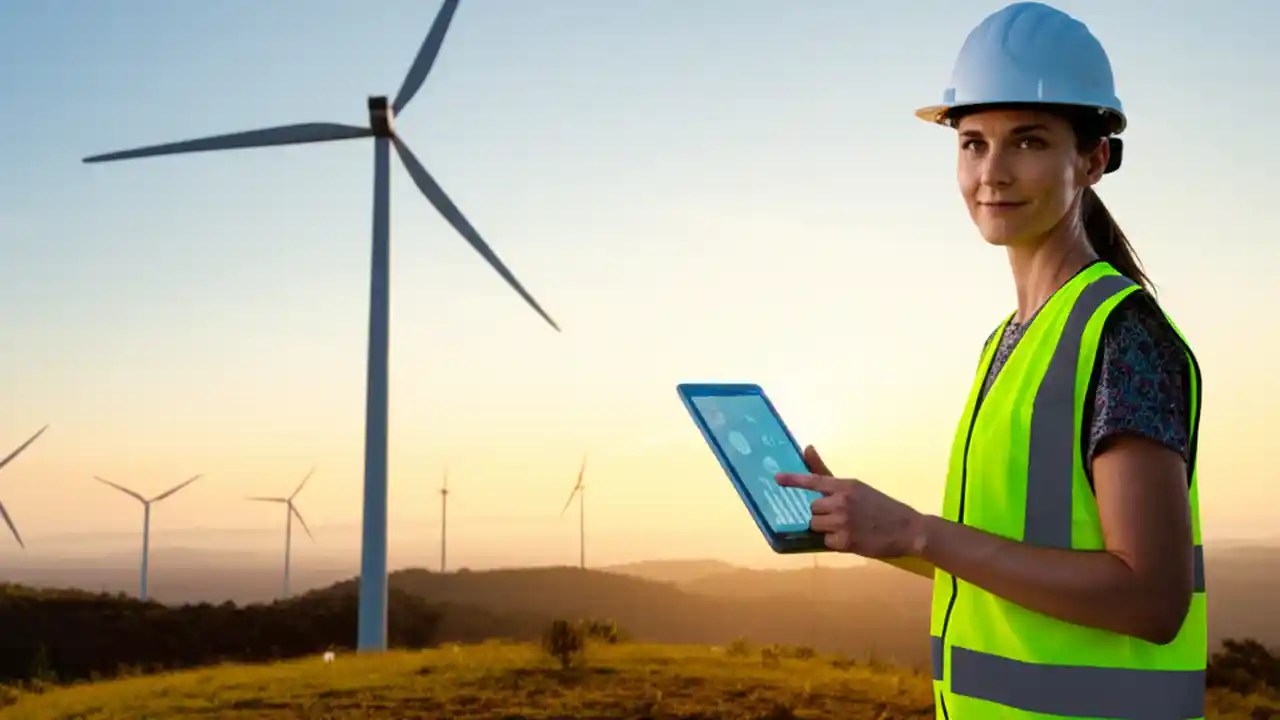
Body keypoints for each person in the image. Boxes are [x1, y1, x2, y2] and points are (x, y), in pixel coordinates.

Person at [774, 3, 1206, 718]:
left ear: (1092, 160)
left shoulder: (1122, 337)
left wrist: (919, 529)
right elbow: (1001, 557)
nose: (993, 172)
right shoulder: (1011, 340)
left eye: (1028, 142)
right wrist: (873, 527)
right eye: (972, 143)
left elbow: (1152, 598)